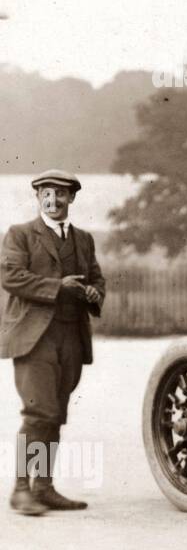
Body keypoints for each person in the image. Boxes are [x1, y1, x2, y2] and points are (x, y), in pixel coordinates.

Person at [1, 170, 105, 514]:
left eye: (60, 194)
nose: (53, 200)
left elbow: (97, 278)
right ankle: (20, 489)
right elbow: (11, 276)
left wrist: (93, 293)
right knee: (38, 411)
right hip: (34, 338)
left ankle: (43, 487)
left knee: (56, 414)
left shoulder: (84, 239)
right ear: (37, 198)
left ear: (72, 198)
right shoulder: (19, 235)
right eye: (46, 193)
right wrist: (58, 286)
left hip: (71, 336)